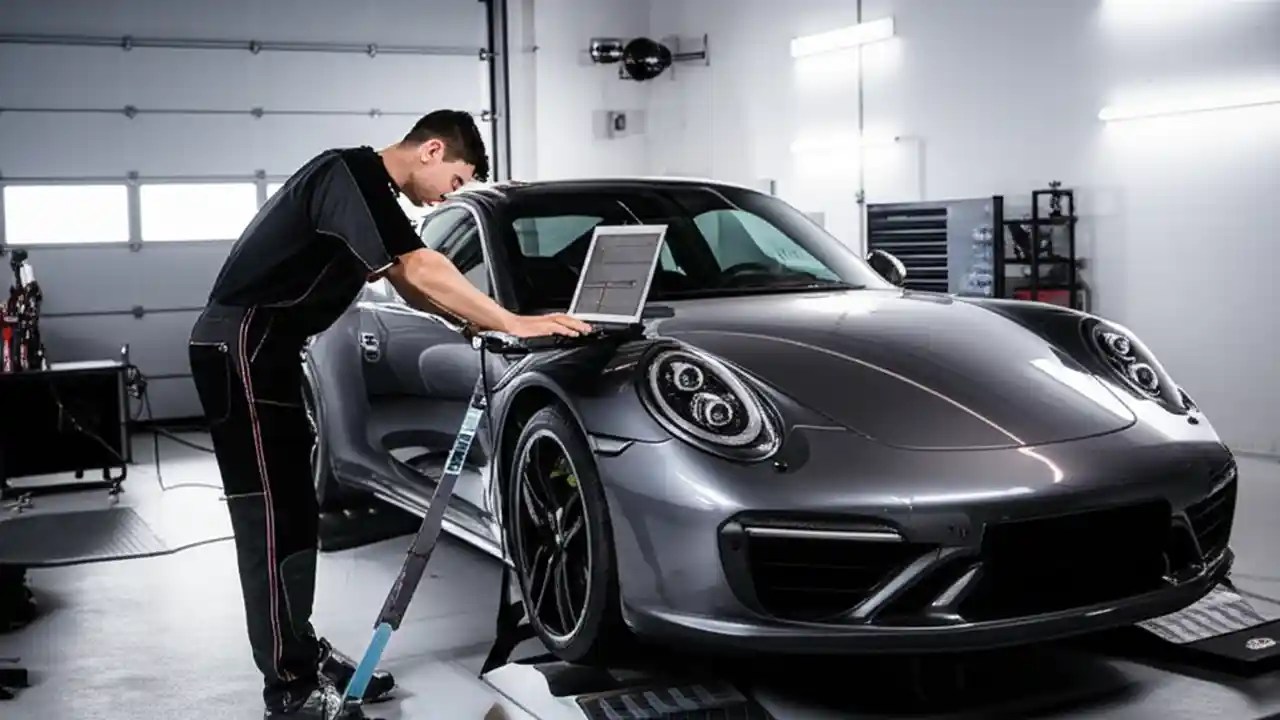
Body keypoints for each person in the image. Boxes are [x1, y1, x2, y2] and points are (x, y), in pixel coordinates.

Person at [187, 110, 591, 718]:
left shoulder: (370, 194)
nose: (448, 195)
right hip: (243, 344)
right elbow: (417, 266)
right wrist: (513, 320)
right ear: (432, 150)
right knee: (271, 517)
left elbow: (408, 283)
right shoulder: (349, 173)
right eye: (455, 181)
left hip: (264, 350)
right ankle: (289, 687)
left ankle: (298, 647)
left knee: (296, 511)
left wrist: (472, 324)